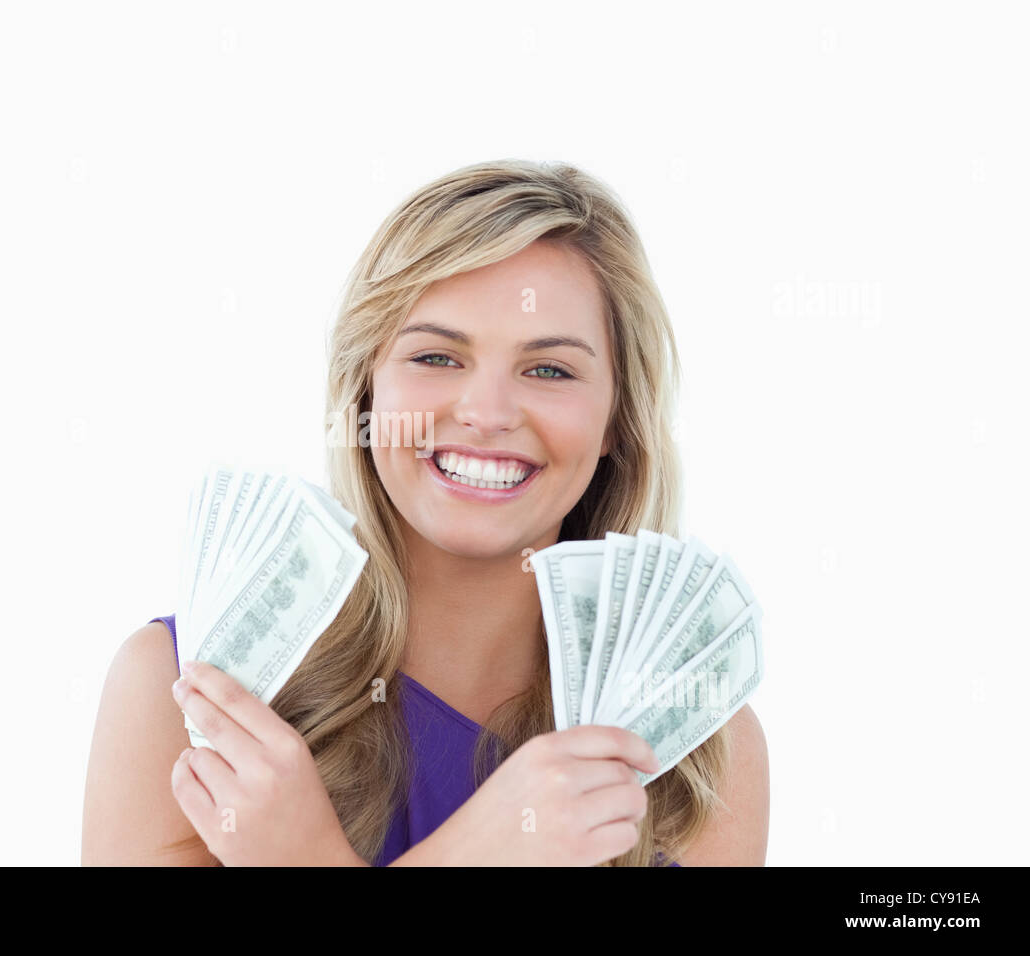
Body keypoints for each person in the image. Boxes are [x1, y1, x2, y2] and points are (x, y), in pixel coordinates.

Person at [81, 159, 769, 866]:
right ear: (365, 398)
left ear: (617, 421)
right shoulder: (186, 694)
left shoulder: (704, 745)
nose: (487, 414)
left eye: (549, 370)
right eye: (437, 357)